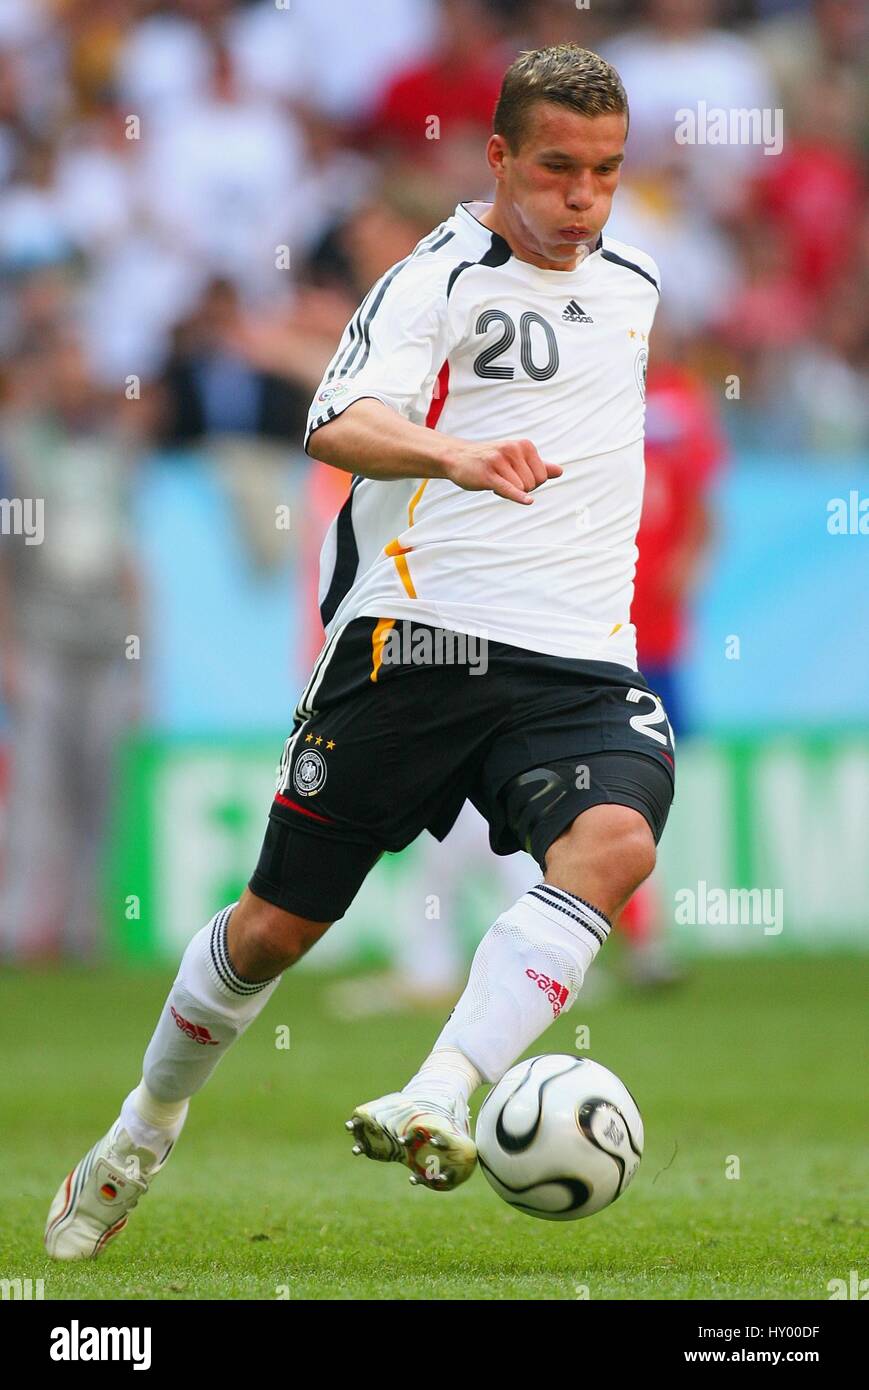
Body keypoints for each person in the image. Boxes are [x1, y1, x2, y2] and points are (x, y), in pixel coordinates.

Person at [45, 43, 676, 1259]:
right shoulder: (431, 279)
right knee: (275, 929)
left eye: (603, 170)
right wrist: (453, 455)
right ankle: (143, 1124)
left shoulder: (637, 278)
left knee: (616, 842)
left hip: (578, 658)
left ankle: (441, 1091)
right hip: (415, 642)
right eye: (555, 169)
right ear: (498, 158)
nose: (582, 197)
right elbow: (335, 421)